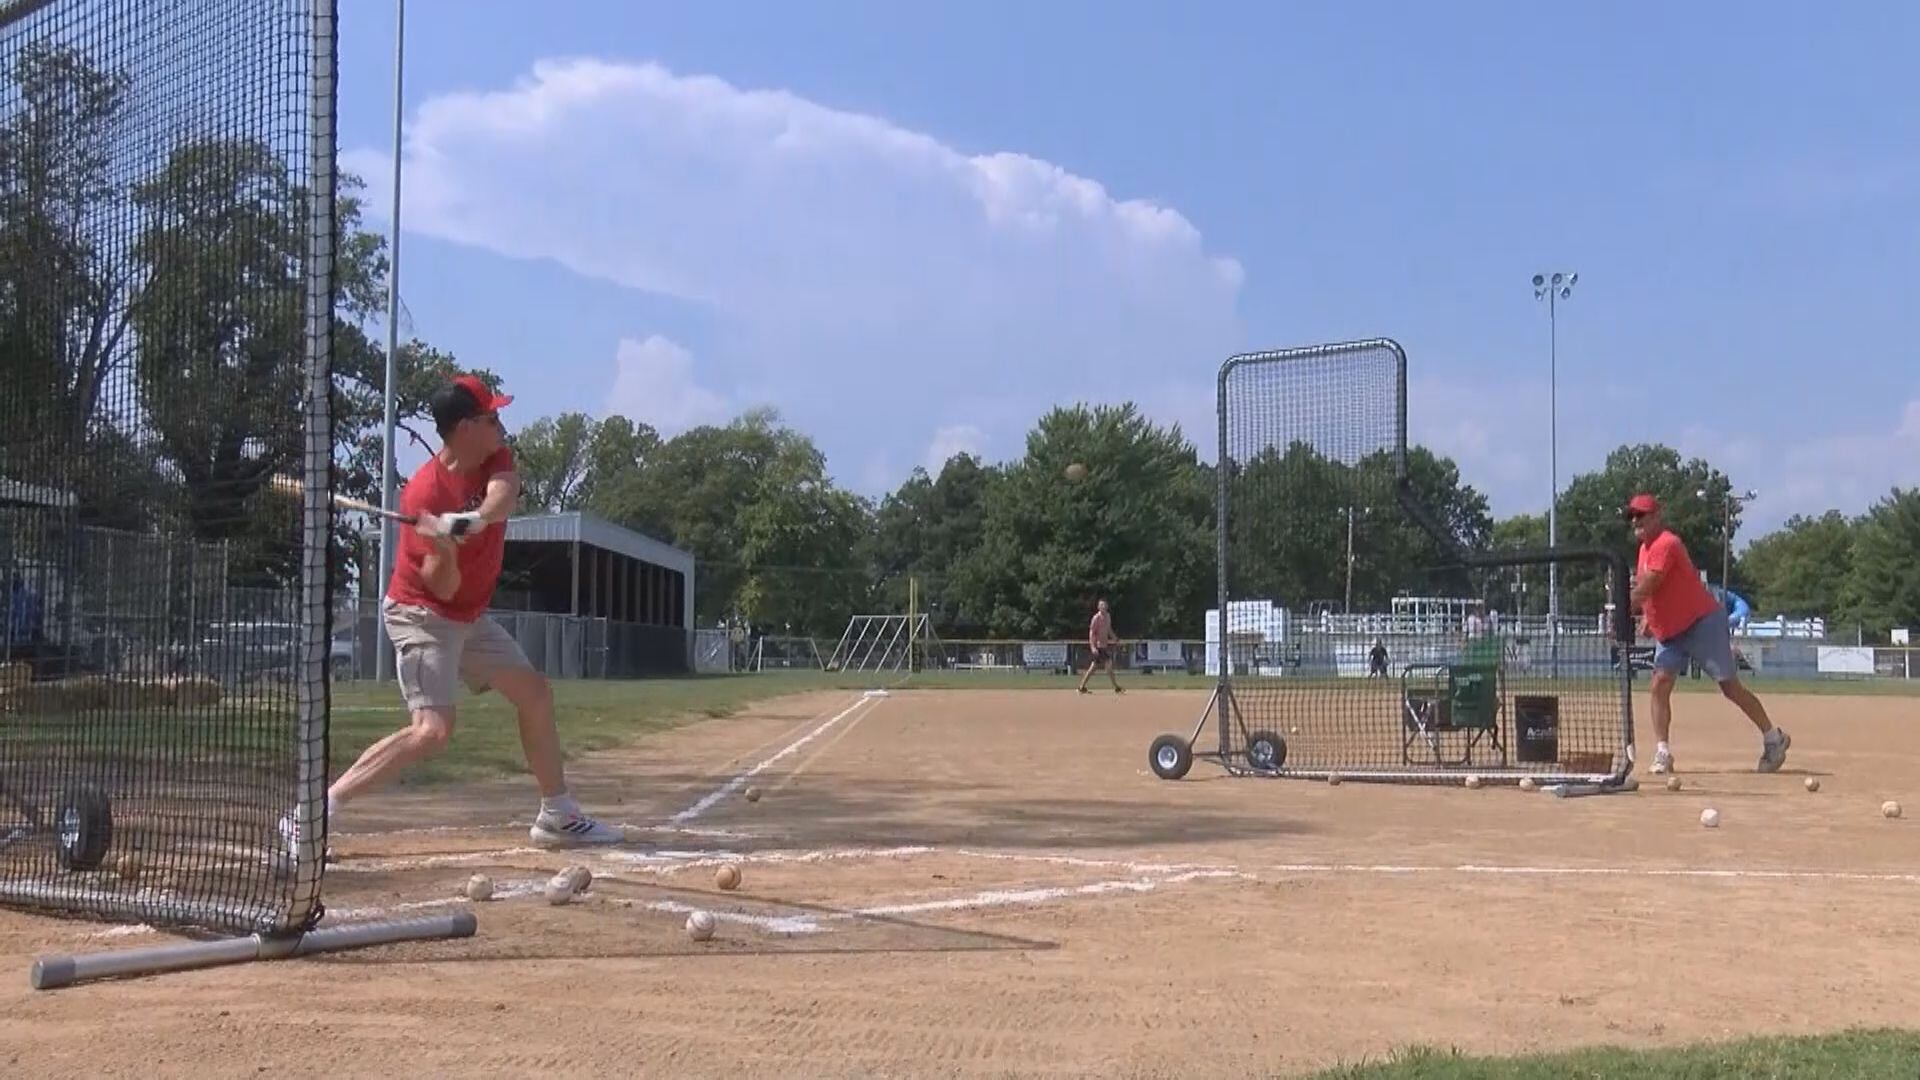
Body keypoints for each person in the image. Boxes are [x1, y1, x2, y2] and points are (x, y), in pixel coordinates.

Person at [281, 374, 621, 861]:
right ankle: (311, 813)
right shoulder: (421, 496)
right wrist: (443, 546)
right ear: (465, 427)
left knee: (535, 693)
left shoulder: (494, 457)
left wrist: (470, 521)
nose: (501, 424)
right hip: (423, 615)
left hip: (469, 616)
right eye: (491, 417)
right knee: (433, 731)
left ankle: (558, 814)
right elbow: (443, 587)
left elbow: (503, 496)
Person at [1625, 493, 1788, 775]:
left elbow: (1652, 583)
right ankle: (1663, 752)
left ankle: (1774, 738)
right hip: (1671, 631)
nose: (1635, 521)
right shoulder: (1643, 550)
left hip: (1702, 622)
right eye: (1632, 516)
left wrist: (1623, 608)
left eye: (1642, 515)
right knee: (1659, 684)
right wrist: (1648, 619)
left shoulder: (1667, 543)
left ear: (1657, 516)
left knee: (1729, 686)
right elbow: (1655, 592)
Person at [1076, 598, 1123, 694]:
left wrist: (1115, 639)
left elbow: (1109, 630)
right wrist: (1092, 647)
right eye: (1101, 605)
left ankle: (1081, 687)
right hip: (1098, 646)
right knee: (1104, 666)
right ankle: (1116, 687)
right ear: (1098, 607)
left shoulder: (1108, 617)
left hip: (1104, 646)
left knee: (1097, 668)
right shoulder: (1096, 618)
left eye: (1105, 605)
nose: (1104, 607)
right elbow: (1092, 633)